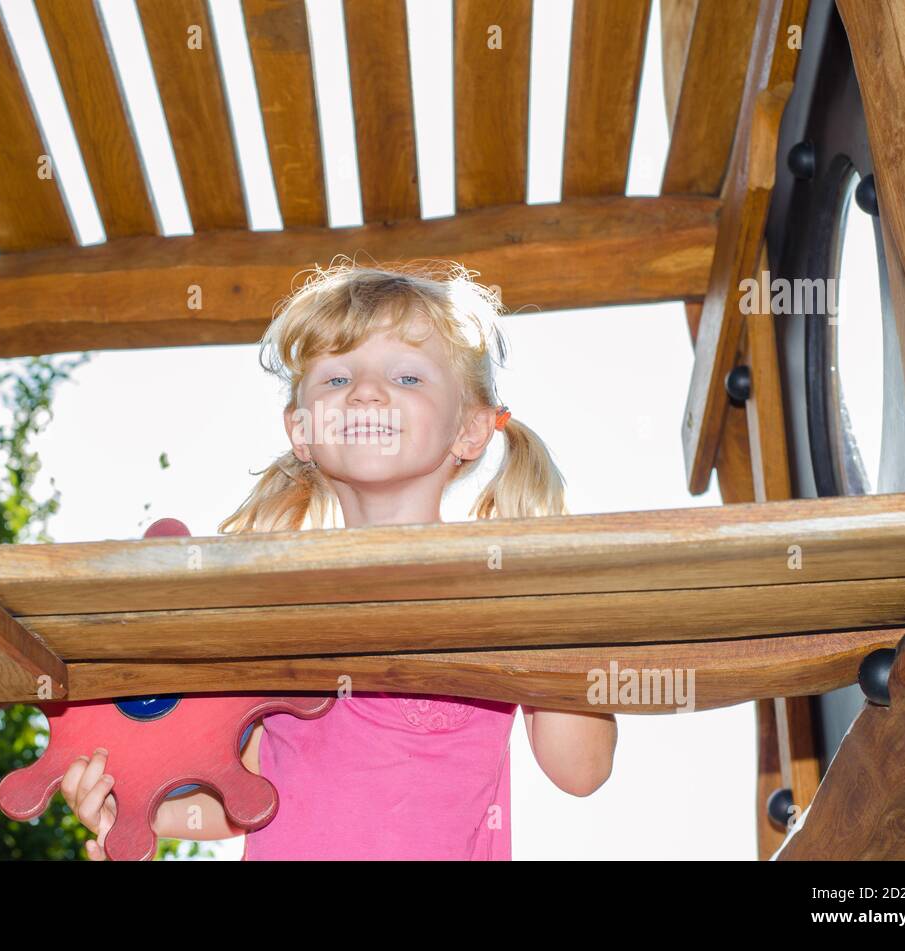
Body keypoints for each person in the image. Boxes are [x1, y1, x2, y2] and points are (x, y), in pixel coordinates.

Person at [63, 257, 617, 860]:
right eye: (335, 379)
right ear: (300, 430)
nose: (366, 392)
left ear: (472, 428)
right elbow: (248, 793)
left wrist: (554, 609)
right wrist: (135, 808)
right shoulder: (272, 605)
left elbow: (579, 771)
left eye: (407, 378)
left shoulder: (500, 594)